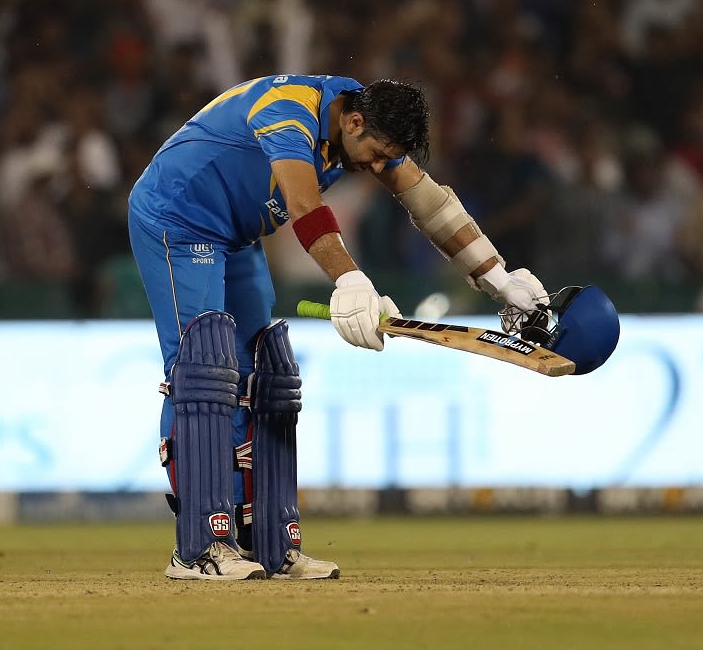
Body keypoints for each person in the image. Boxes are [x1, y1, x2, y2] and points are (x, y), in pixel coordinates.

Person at [128, 75, 548, 580]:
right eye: (373, 154)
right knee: (202, 371)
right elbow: (304, 205)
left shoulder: (364, 123)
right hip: (177, 218)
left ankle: (264, 540)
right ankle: (198, 548)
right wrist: (351, 280)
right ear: (353, 122)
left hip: (234, 237)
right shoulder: (290, 111)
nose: (375, 168)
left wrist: (498, 278)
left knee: (262, 376)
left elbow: (431, 204)